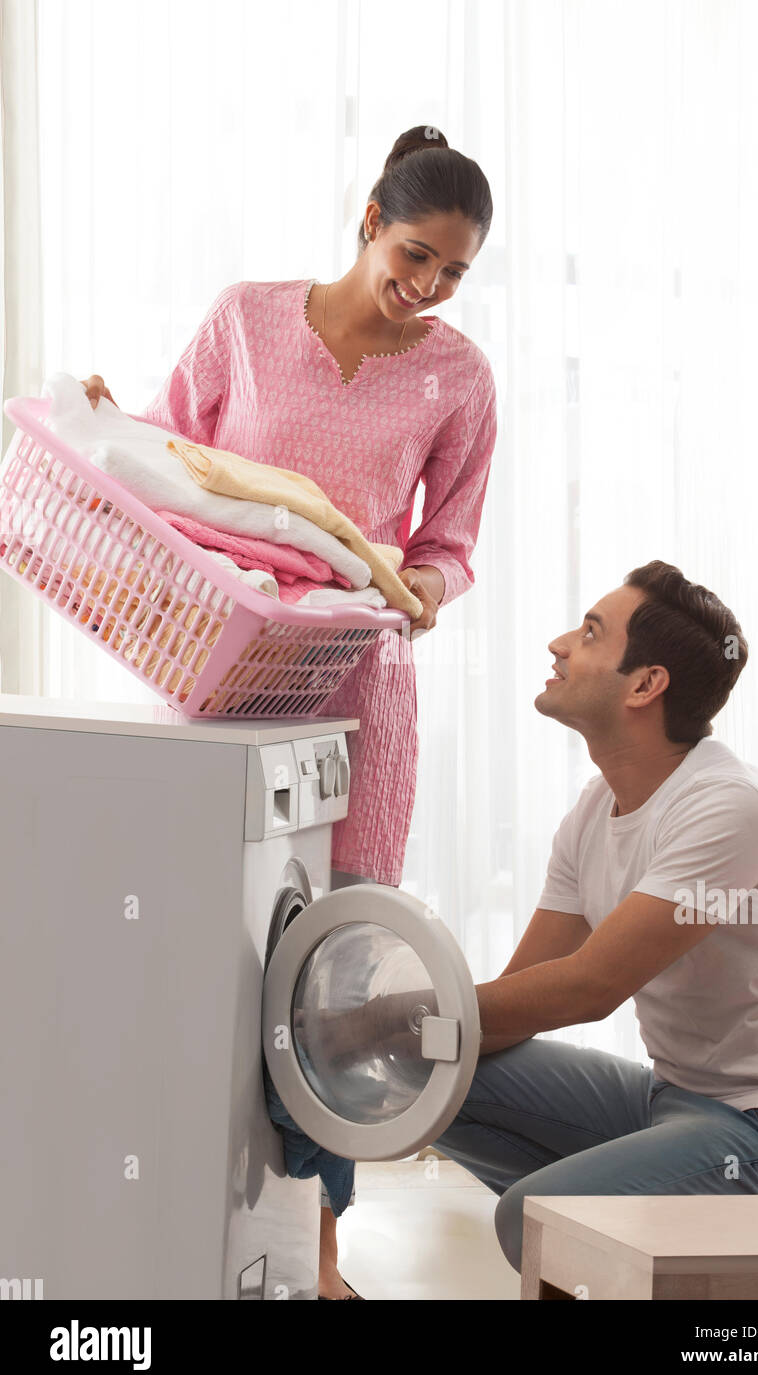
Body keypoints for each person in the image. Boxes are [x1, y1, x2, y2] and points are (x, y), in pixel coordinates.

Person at [80, 125, 498, 1300]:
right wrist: (112, 422)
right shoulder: (246, 321)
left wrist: (427, 589)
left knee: (333, 975)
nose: (424, 290)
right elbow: (173, 468)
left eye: (452, 274)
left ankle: (314, 1247)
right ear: (369, 217)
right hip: (222, 675)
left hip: (361, 691)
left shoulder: (456, 375)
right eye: (413, 255)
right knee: (203, 948)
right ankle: (168, 1212)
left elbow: (450, 547)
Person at [420, 559, 758, 1272]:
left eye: (591, 633)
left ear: (645, 684)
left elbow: (589, 989)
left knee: (531, 1219)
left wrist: (405, 1019)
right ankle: (613, 1247)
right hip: (678, 1101)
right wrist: (397, 1045)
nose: (559, 644)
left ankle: (602, 1246)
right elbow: (517, 1003)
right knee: (438, 1074)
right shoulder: (595, 810)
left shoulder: (728, 806)